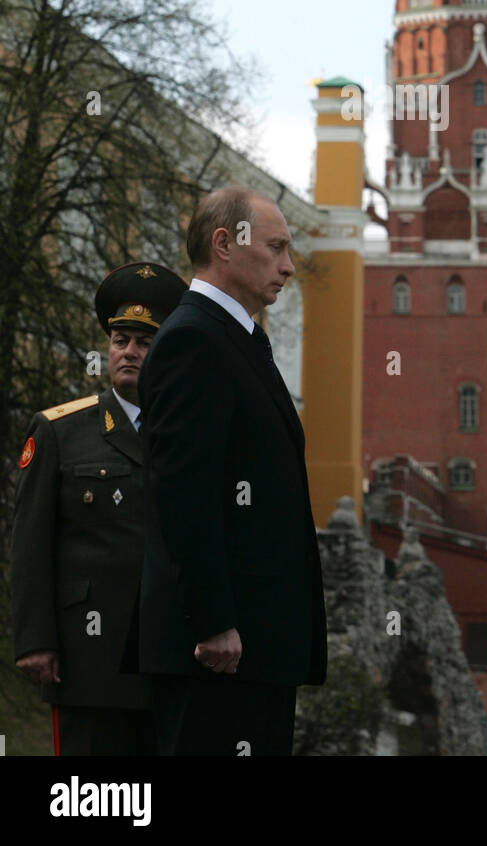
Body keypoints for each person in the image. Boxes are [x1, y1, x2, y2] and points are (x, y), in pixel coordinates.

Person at [136, 185, 327, 756]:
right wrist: (213, 621)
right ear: (225, 243)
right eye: (276, 248)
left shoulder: (238, 338)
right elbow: (183, 494)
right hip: (219, 652)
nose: (289, 267)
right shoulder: (194, 340)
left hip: (254, 646)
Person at [11, 260, 187, 756]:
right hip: (86, 658)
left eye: (146, 342)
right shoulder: (60, 431)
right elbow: (29, 545)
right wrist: (34, 641)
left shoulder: (188, 434)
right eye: (121, 340)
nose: (130, 352)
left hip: (171, 657)